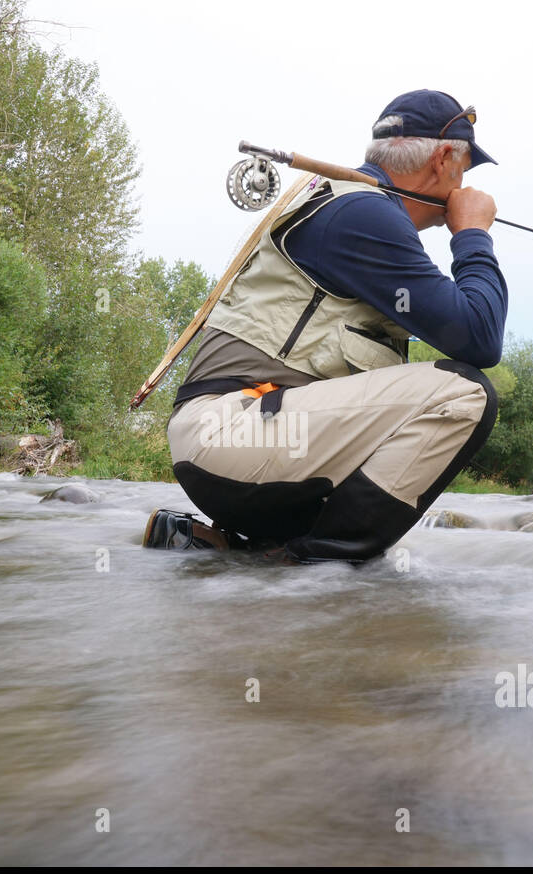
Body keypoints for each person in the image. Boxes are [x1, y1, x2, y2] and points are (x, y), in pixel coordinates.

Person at [144, 89, 507, 563]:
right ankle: (314, 569)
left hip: (238, 447)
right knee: (465, 393)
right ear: (441, 159)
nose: (464, 186)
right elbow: (479, 337)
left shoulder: (346, 205)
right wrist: (474, 235)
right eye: (464, 170)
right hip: (231, 436)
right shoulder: (365, 213)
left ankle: (252, 552)